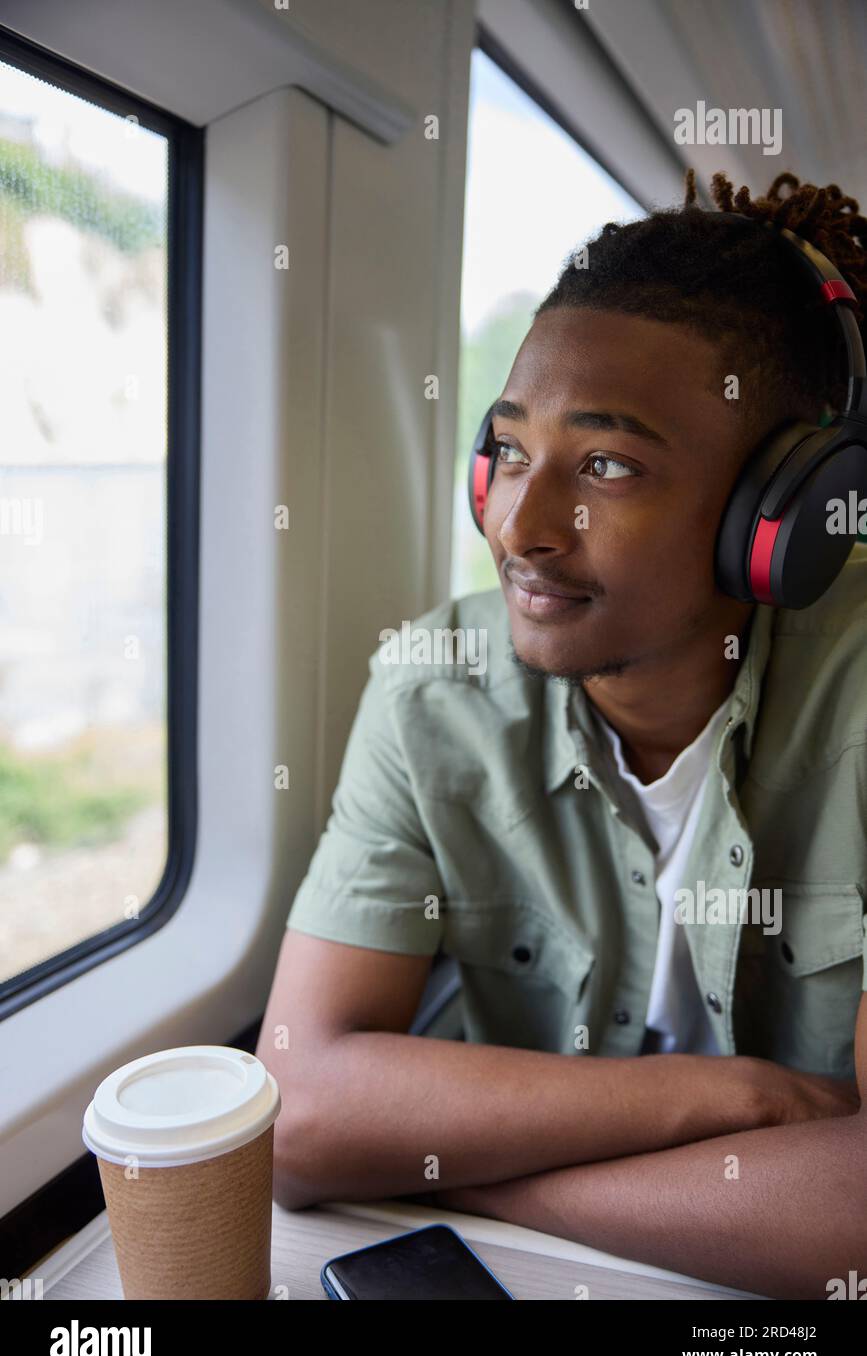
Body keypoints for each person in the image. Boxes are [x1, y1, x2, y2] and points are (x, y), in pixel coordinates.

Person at [257, 170, 867, 1299]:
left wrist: (463, 1171)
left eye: (607, 465)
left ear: (780, 515)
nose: (522, 529)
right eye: (510, 450)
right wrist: (750, 1103)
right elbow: (296, 1109)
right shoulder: (432, 686)